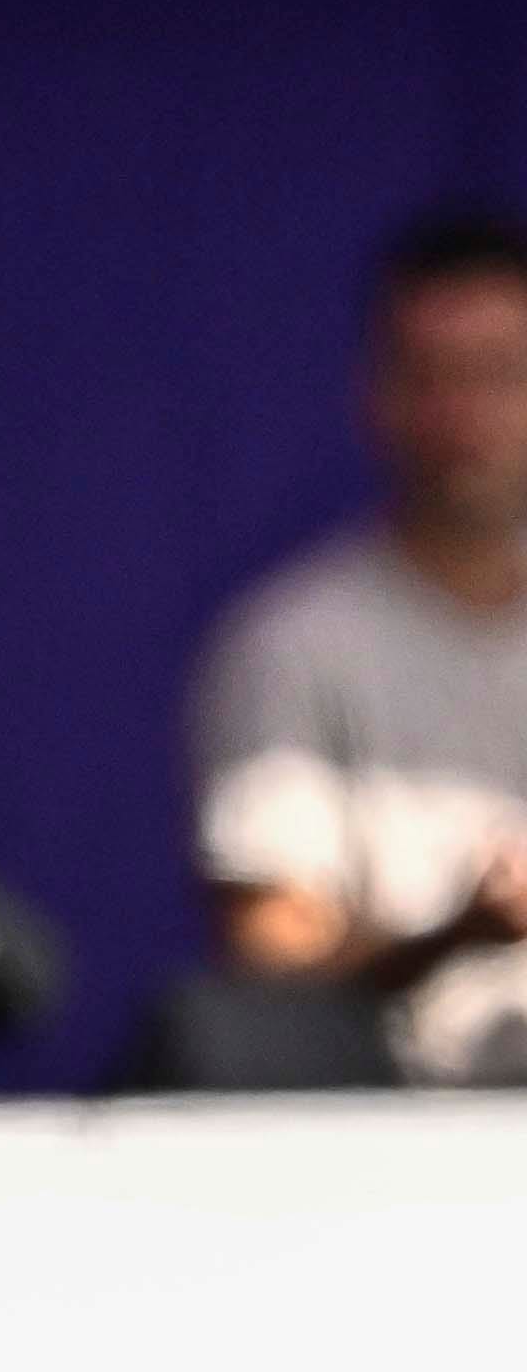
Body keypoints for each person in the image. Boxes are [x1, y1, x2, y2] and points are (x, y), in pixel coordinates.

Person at [172, 209, 527, 1089]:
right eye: (429, 376)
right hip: (379, 1135)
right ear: (377, 393)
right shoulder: (289, 644)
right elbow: (268, 953)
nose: (463, 417)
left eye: (497, 374)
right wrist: (461, 932)